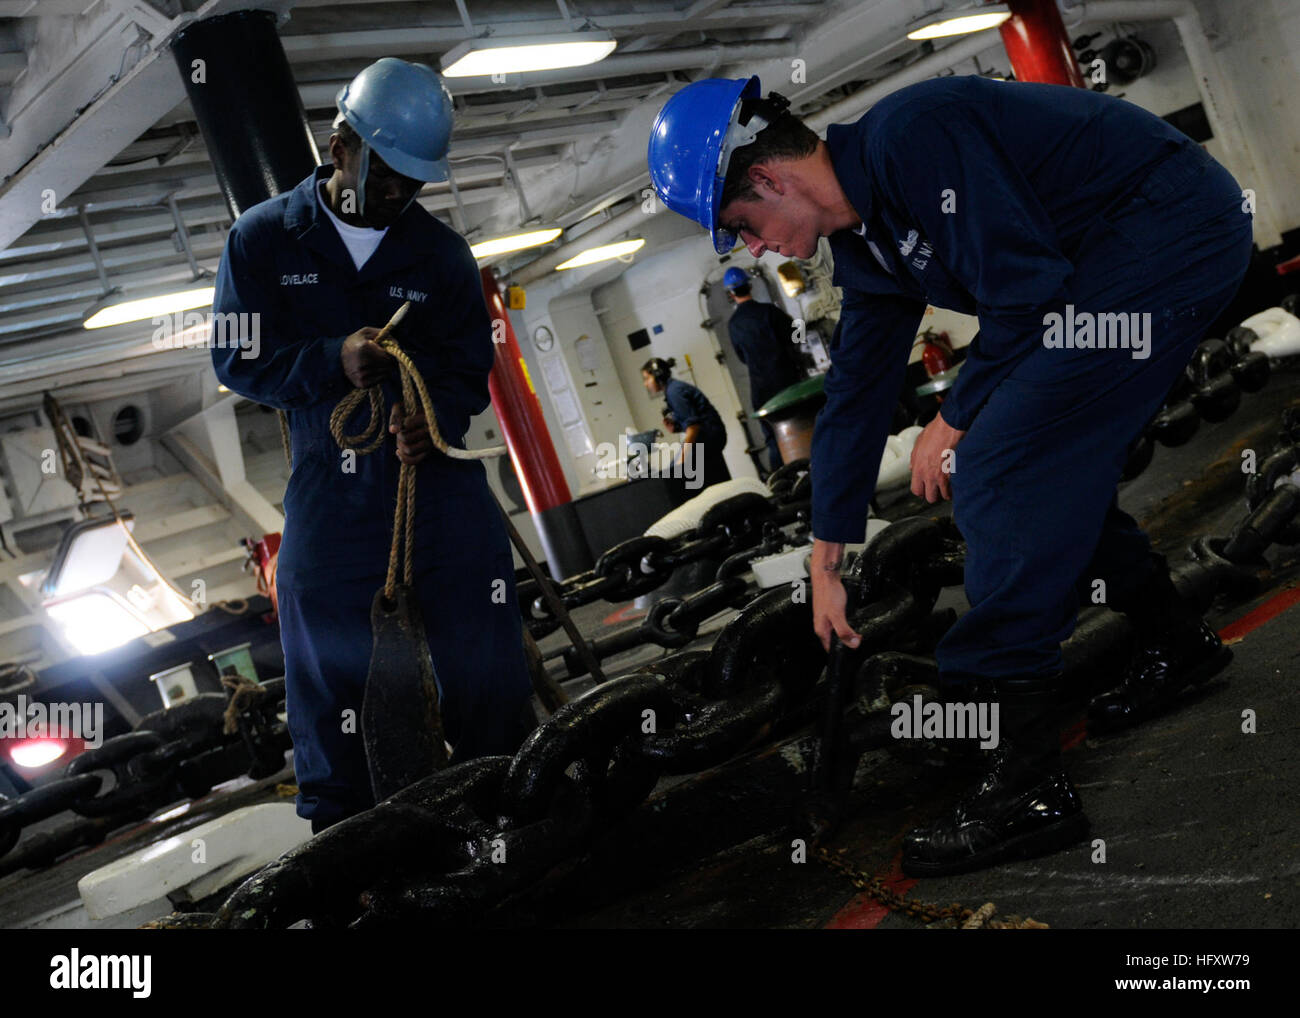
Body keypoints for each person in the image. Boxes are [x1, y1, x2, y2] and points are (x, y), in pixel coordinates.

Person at [647, 74, 1250, 875]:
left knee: (998, 459)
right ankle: (1175, 641)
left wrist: (953, 416)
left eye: (742, 227)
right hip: (1100, 270)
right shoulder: (865, 240)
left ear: (766, 178)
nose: (754, 250)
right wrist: (828, 558)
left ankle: (1027, 784)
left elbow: (1024, 293)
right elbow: (856, 396)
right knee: (1031, 459)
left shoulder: (915, 137)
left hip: (1170, 233)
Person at [210, 58, 534, 833]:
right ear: (340, 145)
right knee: (322, 650)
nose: (397, 194)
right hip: (334, 482)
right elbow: (235, 358)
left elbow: (465, 365)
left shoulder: (442, 255)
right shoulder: (260, 243)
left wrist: (436, 419)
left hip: (436, 482)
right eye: (385, 174)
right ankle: (344, 840)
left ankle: (511, 810)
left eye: (413, 183)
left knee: (485, 648)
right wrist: (330, 360)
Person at [723, 266, 804, 471]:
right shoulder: (769, 311)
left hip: (761, 391)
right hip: (788, 384)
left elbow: (742, 357)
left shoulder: (733, 325)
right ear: (749, 285)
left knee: (773, 439)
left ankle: (784, 485)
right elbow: (797, 335)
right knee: (802, 429)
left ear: (731, 294)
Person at [641, 356, 731, 491]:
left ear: (658, 376)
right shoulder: (673, 389)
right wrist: (676, 427)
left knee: (672, 474)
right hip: (709, 437)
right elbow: (692, 422)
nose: (645, 384)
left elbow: (694, 427)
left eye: (647, 378)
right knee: (673, 471)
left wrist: (682, 460)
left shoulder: (674, 392)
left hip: (708, 438)